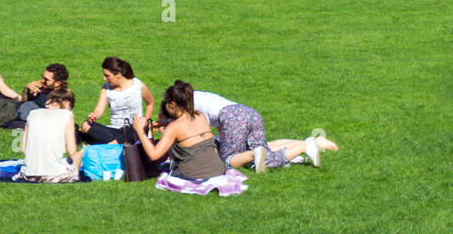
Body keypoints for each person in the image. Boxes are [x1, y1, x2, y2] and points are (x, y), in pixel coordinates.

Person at [191, 89, 339, 171]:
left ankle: (304, 146)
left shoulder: (186, 112)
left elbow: (204, 135)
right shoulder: (198, 96)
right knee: (265, 147)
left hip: (233, 118)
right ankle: (314, 142)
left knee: (229, 161)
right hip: (247, 111)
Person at [131, 81, 226, 181]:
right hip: (217, 169)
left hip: (194, 174)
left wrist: (140, 131)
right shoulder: (200, 115)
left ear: (172, 104)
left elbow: (153, 155)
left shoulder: (174, 127)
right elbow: (186, 124)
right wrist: (166, 122)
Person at [79, 57, 154, 144]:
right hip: (114, 129)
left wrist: (145, 120)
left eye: (107, 76)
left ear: (118, 74)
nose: (104, 78)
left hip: (134, 128)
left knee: (134, 129)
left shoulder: (138, 85)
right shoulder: (106, 88)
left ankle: (112, 144)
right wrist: (93, 116)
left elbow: (150, 103)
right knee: (87, 125)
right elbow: (98, 110)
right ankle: (117, 143)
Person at [15, 88, 80, 182]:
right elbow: (72, 151)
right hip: (54, 176)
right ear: (67, 103)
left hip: (29, 174)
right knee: (82, 152)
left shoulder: (33, 113)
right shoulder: (67, 115)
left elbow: (24, 150)